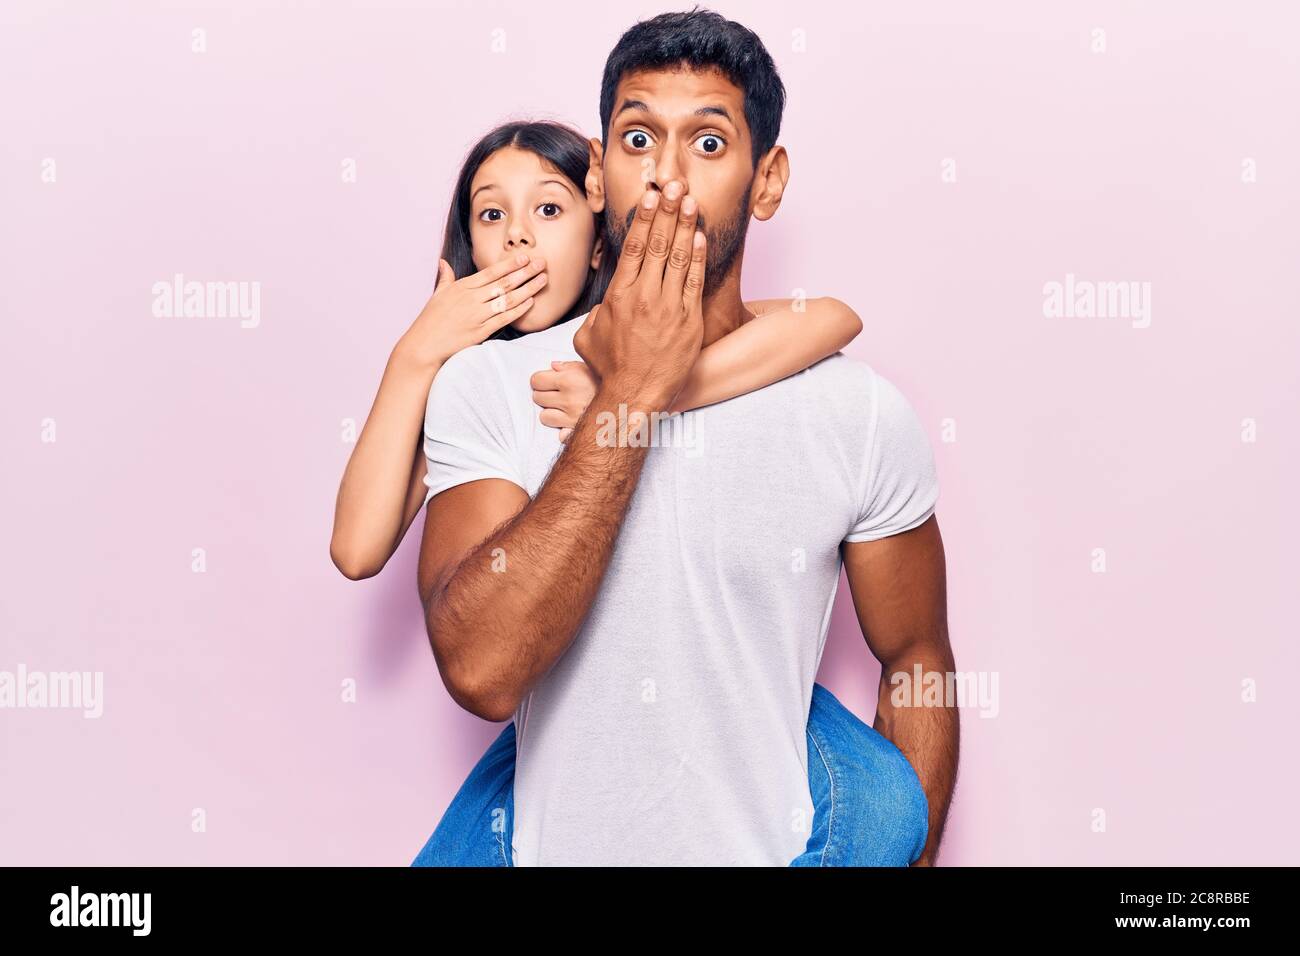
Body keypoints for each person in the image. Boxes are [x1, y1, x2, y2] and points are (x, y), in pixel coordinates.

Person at [409, 8, 958, 867]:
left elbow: (917, 656)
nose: (666, 177)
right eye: (636, 140)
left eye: (708, 144)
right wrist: (632, 390)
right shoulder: (490, 384)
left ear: (767, 181)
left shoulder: (858, 413)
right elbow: (480, 669)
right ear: (596, 175)